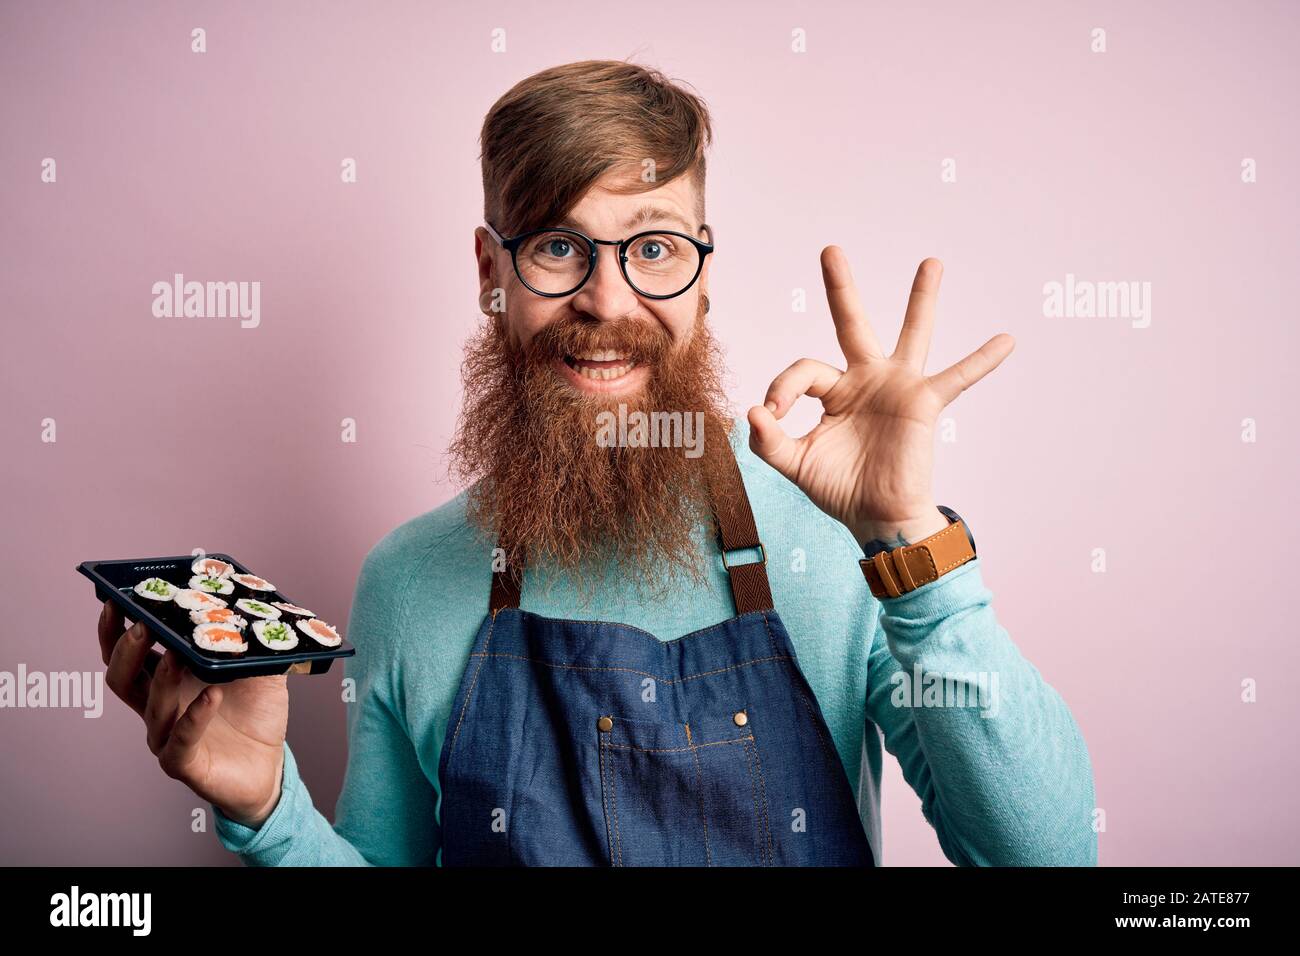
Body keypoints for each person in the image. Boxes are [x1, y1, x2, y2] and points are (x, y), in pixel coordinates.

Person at [97, 59, 1096, 866]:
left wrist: (909, 542)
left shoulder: (839, 550)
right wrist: (270, 815)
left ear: (704, 275)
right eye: (558, 248)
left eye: (653, 247)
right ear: (492, 274)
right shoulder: (408, 580)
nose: (608, 301)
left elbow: (1045, 858)